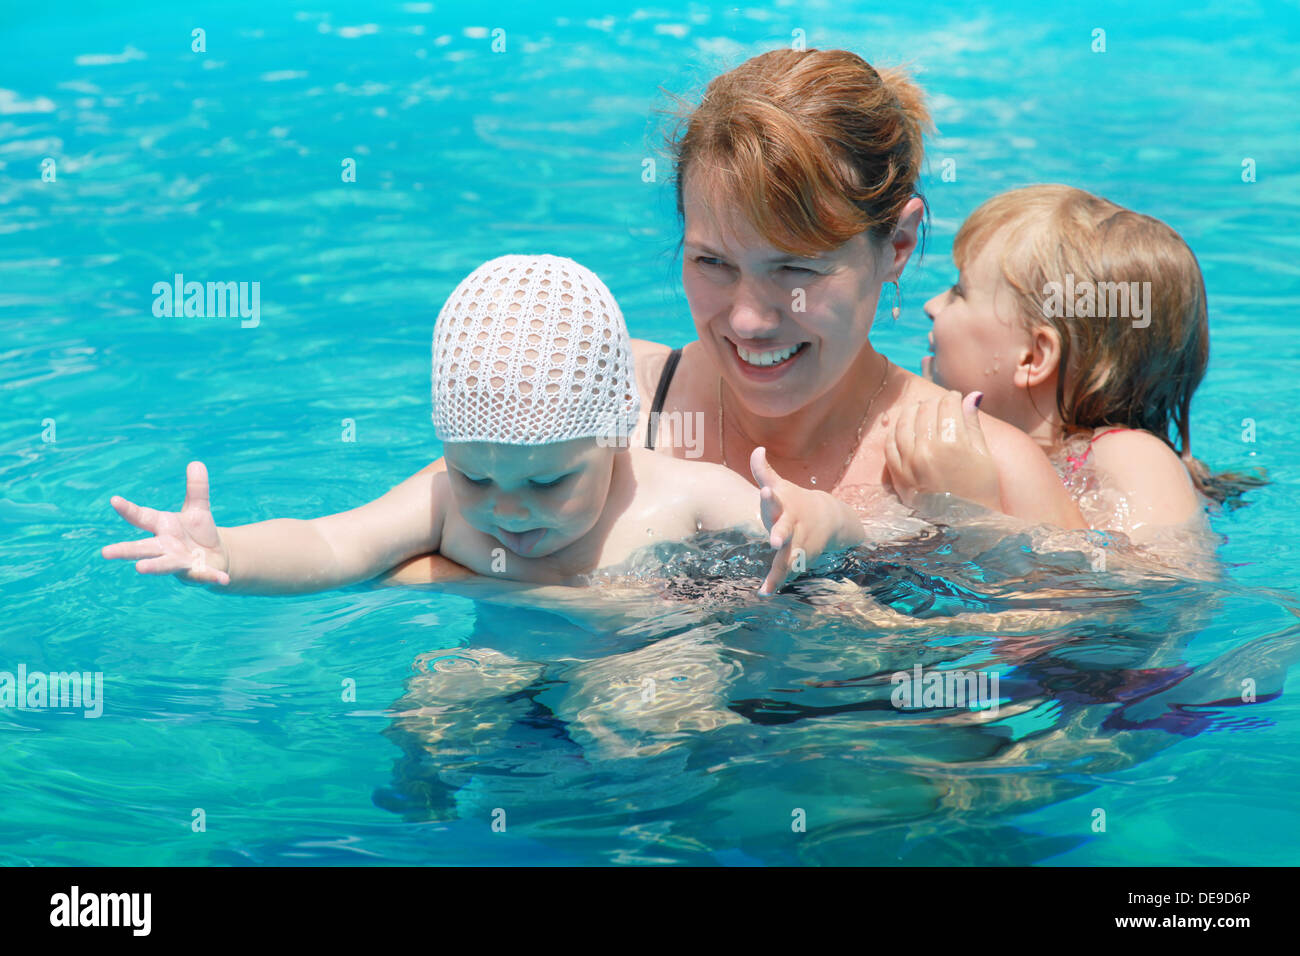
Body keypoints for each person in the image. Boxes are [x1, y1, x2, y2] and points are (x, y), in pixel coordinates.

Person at [102, 255, 867, 596]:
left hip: (644, 658)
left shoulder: (685, 495)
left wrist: (815, 518)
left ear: (616, 434)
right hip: (504, 669)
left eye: (547, 479)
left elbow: (860, 545)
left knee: (646, 711)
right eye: (476, 474)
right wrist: (225, 552)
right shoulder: (440, 500)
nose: (507, 507)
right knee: (429, 712)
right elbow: (333, 543)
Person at [630, 48, 1084, 529]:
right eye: (713, 262)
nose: (749, 320)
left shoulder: (999, 475)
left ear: (898, 244)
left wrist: (971, 524)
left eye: (797, 269)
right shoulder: (615, 407)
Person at [890, 184, 1263, 543]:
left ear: (1034, 357)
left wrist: (973, 513)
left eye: (959, 292)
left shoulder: (1131, 456)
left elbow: (1157, 588)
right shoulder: (1031, 456)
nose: (932, 305)